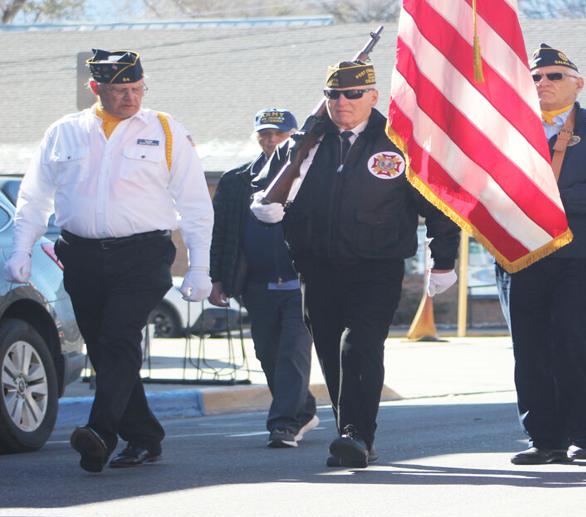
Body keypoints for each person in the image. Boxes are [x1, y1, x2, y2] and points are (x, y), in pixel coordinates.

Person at [6, 49, 212, 473]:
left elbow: (194, 203)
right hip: (79, 255)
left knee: (119, 339)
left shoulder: (166, 130)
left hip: (143, 254)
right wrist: (21, 249)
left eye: (137, 88)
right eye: (120, 90)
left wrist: (199, 266)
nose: (131, 98)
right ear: (95, 88)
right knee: (105, 350)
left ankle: (100, 432)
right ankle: (145, 436)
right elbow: (33, 198)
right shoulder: (63, 133)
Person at [252, 60, 459, 469]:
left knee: (360, 346)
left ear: (373, 97)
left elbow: (437, 203)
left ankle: (357, 435)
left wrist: (444, 259)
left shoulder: (400, 140)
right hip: (316, 265)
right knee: (328, 349)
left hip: (376, 265)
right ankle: (351, 431)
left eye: (352, 94)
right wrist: (273, 198)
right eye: (333, 94)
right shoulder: (304, 142)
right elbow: (263, 191)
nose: (342, 102)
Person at [497, 44, 586, 465]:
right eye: (536, 77)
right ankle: (543, 438)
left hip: (581, 252)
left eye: (554, 76)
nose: (543, 83)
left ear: (578, 83)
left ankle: (582, 433)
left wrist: (550, 198)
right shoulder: (505, 130)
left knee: (570, 337)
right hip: (522, 252)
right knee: (530, 347)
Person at [210, 108, 319, 449]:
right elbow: (223, 233)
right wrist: (217, 279)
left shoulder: (313, 175)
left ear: (293, 136)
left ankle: (283, 425)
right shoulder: (236, 181)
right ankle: (303, 411)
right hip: (256, 285)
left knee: (291, 354)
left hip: (302, 286)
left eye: (279, 133)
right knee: (268, 355)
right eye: (265, 133)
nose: (271, 139)